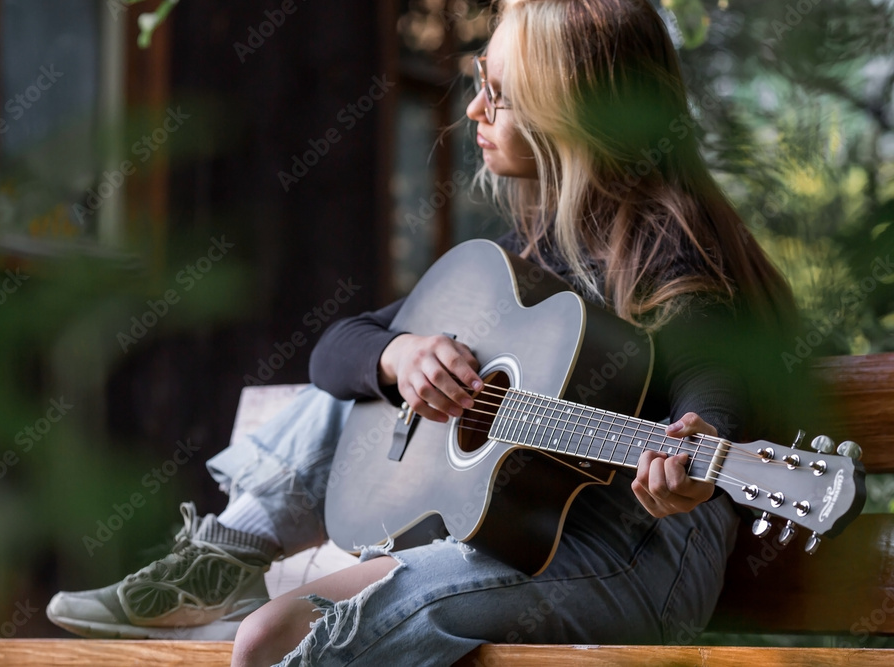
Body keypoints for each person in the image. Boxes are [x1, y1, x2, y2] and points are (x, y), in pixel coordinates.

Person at [49, 0, 802, 664]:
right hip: (524, 539)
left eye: (499, 95)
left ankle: (231, 555)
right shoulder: (530, 257)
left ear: (569, 108)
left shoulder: (676, 249)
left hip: (633, 555)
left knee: (321, 641)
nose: (473, 109)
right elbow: (334, 353)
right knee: (262, 633)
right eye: (481, 79)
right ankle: (223, 555)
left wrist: (697, 450)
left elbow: (716, 387)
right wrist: (400, 355)